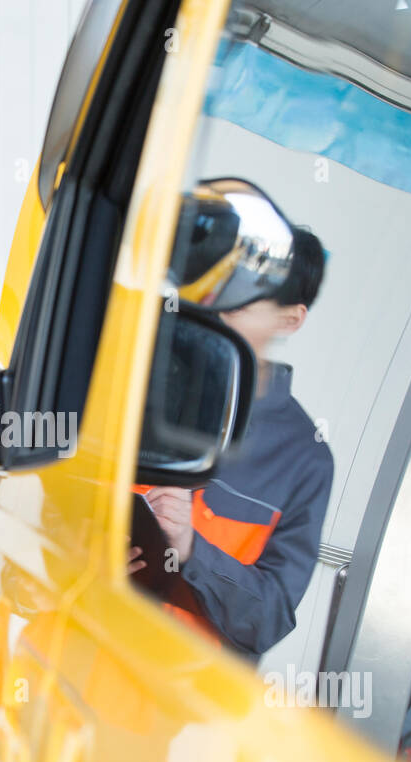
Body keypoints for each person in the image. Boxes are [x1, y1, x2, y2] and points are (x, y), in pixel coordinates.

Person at [132, 227, 333, 662]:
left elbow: (267, 620)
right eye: (215, 291)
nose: (216, 310)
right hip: (70, 676)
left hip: (178, 717)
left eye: (240, 302)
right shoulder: (140, 392)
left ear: (289, 320)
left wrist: (189, 551)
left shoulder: (304, 458)